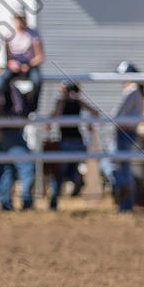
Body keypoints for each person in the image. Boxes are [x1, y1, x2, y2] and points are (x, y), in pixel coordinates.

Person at [46, 81, 100, 210]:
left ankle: (54, 202)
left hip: (66, 142)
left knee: (59, 173)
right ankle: (77, 180)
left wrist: (49, 121)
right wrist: (90, 123)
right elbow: (95, 112)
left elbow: (55, 117)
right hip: (78, 142)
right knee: (73, 168)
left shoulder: (62, 102)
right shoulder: (78, 102)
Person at [104, 61, 144, 211]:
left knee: (117, 167)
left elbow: (119, 113)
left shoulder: (132, 91)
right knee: (121, 167)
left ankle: (125, 201)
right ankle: (125, 202)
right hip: (126, 133)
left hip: (125, 133)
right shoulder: (134, 91)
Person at [0, 79, 35, 211]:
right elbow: (18, 109)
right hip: (11, 131)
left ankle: (5, 202)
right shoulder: (8, 89)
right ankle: (26, 200)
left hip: (5, 131)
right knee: (27, 167)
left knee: (7, 168)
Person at [3, 12, 44, 111]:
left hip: (30, 64)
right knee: (2, 81)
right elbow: (7, 58)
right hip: (15, 65)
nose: (20, 21)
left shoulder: (33, 33)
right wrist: (13, 64)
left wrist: (28, 65)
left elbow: (40, 57)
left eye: (22, 18)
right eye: (18, 18)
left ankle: (31, 107)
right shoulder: (9, 34)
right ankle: (9, 106)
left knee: (37, 81)